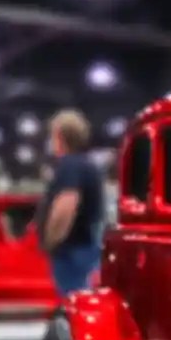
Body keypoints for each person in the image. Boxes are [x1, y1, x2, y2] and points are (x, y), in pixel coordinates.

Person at [41, 110, 105, 295]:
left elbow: (65, 207)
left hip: (72, 252)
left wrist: (50, 241)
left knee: (73, 303)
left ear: (59, 135)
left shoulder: (70, 165)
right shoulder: (87, 165)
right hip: (86, 248)